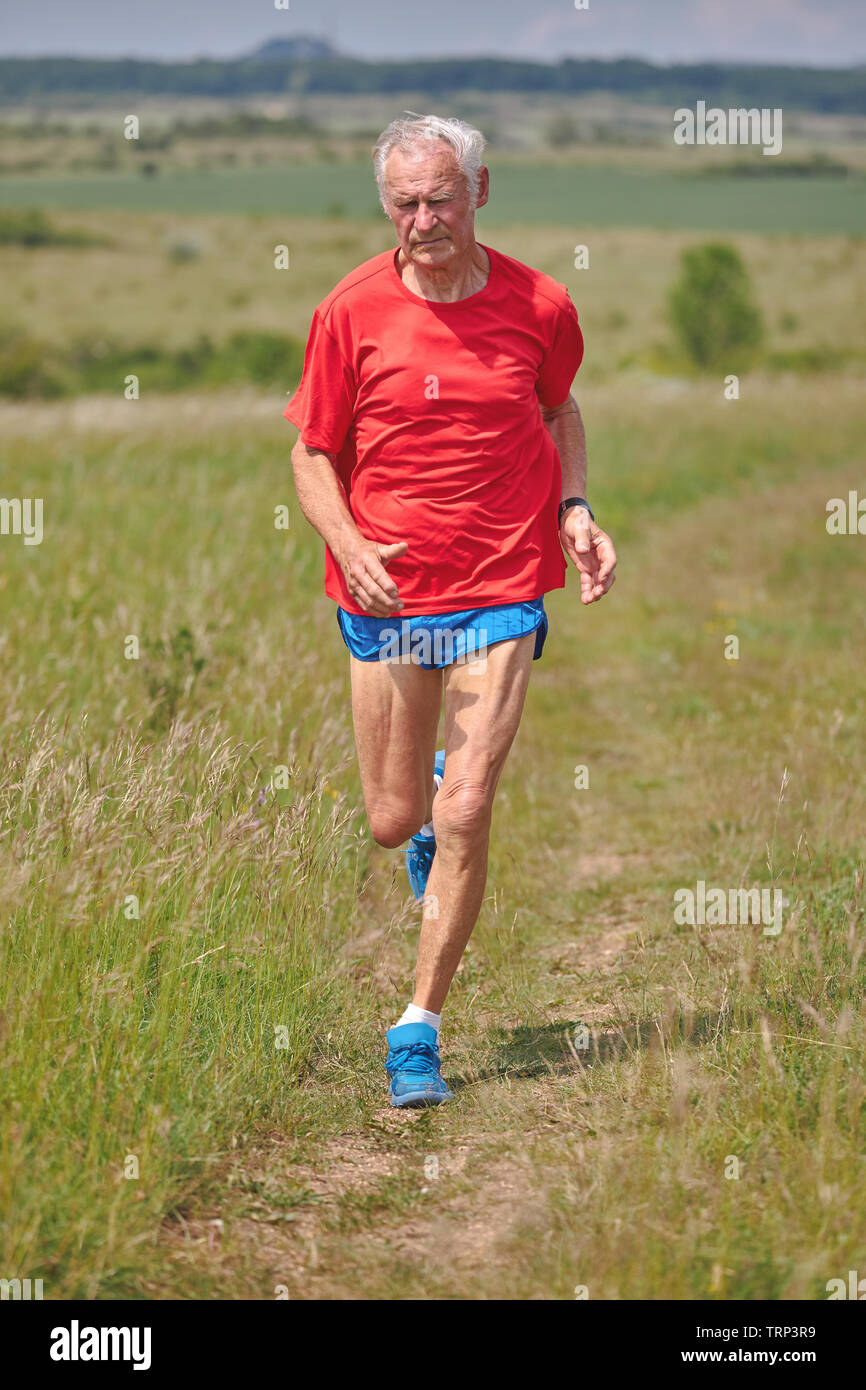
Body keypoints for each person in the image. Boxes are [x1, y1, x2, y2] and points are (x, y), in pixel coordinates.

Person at [286, 113, 617, 1107]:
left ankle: (416, 1028)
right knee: (394, 821)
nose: (420, 219)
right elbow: (310, 452)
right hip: (385, 593)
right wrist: (345, 543)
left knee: (467, 806)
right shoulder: (348, 310)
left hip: (500, 585)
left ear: (480, 191)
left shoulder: (539, 303)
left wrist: (574, 507)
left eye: (437, 198)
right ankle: (420, 805)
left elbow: (558, 408)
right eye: (402, 202)